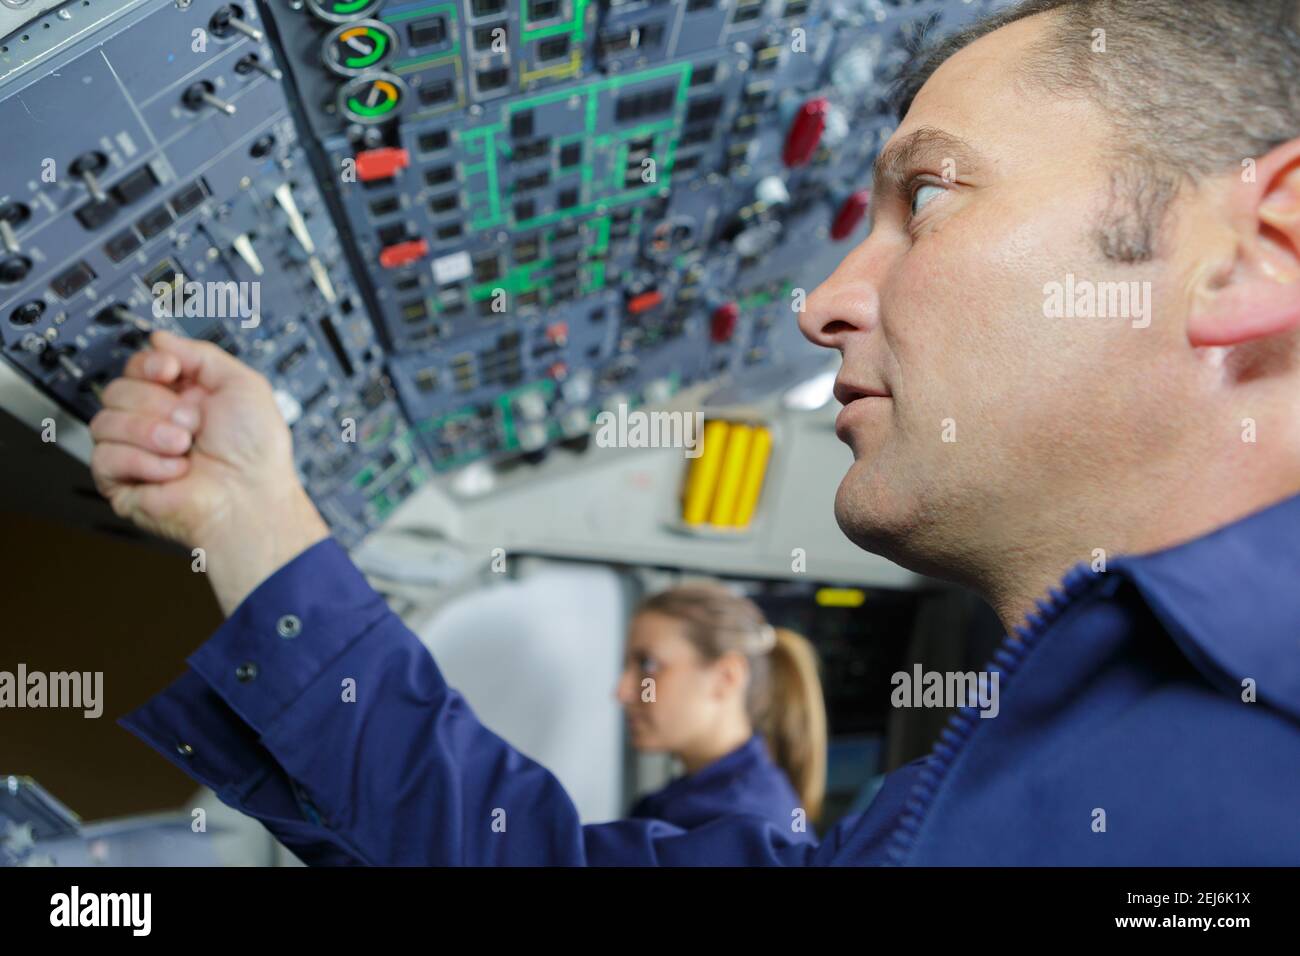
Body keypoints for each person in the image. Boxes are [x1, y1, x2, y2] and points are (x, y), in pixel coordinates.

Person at [91, 0, 1300, 864]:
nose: (821, 300)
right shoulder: (1013, 768)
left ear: (1254, 256)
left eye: (927, 195)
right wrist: (248, 511)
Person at [619, 585, 825, 839]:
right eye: (626, 666)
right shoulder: (693, 801)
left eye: (648, 665)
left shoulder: (739, 829)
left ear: (726, 677)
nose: (622, 691)